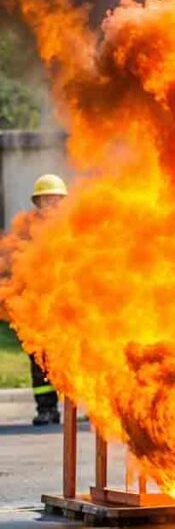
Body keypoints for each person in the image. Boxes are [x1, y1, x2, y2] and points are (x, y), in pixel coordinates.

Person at [27, 174, 67, 426]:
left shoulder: (76, 226)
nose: (50, 204)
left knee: (78, 357)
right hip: (38, 307)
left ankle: (87, 408)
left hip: (69, 306)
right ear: (37, 202)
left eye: (55, 199)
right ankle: (47, 409)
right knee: (40, 359)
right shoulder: (27, 231)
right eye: (45, 199)